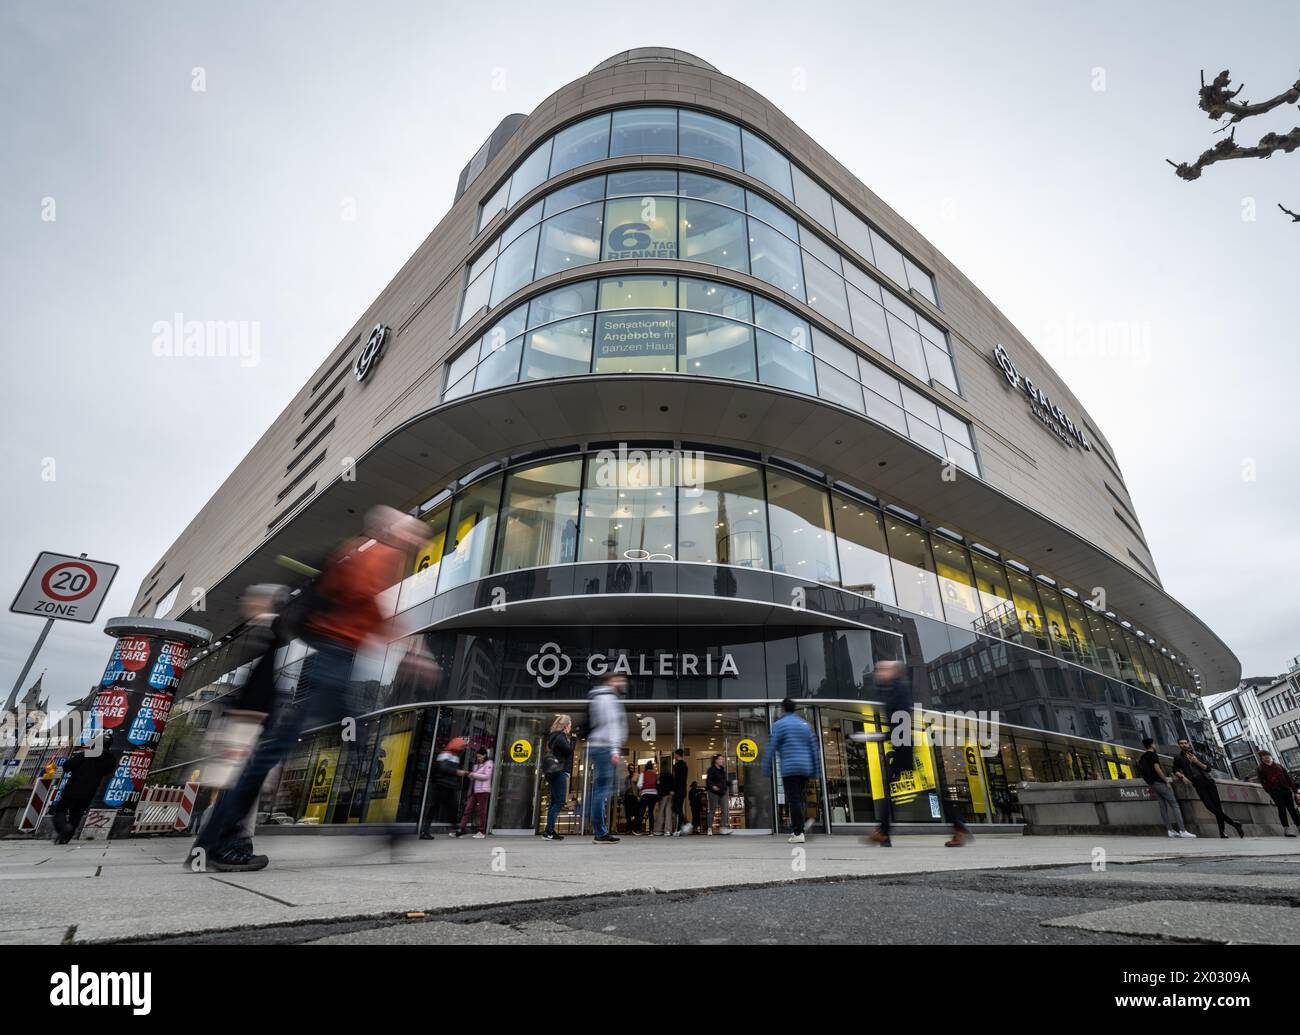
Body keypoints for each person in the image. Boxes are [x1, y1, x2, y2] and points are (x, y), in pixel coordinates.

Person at [189, 505, 428, 872]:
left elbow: (362, 605)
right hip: (334, 659)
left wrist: (402, 642)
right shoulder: (376, 553)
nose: (416, 538)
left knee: (356, 743)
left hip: (339, 659)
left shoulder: (367, 553)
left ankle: (387, 828)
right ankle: (214, 841)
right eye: (411, 531)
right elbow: (364, 601)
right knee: (279, 751)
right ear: (392, 529)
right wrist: (407, 643)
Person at [864, 660, 973, 848]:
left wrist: (884, 736)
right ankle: (958, 826)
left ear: (894, 672)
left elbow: (901, 720)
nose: (878, 673)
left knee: (898, 788)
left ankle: (883, 832)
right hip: (902, 744)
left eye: (883, 669)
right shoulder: (892, 689)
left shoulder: (899, 690)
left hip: (903, 745)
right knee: (923, 789)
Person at [763, 699, 821, 844]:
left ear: (783, 709)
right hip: (805, 768)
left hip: (790, 768)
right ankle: (801, 825)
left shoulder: (779, 725)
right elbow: (814, 748)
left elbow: (772, 746)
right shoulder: (805, 725)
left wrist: (766, 766)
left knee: (794, 800)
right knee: (800, 799)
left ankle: (798, 832)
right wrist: (816, 769)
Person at [49, 732, 115, 845]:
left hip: (73, 787)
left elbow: (67, 766)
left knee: (60, 809)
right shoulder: (111, 759)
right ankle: (66, 836)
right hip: (90, 790)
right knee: (77, 813)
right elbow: (107, 772)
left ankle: (64, 827)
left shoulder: (86, 754)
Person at [1172, 737, 1243, 838]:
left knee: (1217, 806)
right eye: (1181, 743)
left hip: (1208, 781)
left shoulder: (1198, 754)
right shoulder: (1178, 757)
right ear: (1178, 745)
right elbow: (1175, 770)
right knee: (1209, 806)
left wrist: (1197, 762)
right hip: (1197, 782)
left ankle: (1222, 832)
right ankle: (1234, 823)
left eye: (1185, 743)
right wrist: (1183, 777)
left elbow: (1208, 768)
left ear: (1188, 744)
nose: (1184, 745)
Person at [586, 673, 628, 844]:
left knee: (600, 788)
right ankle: (599, 830)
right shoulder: (608, 698)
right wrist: (614, 750)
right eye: (619, 680)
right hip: (604, 747)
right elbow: (612, 724)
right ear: (610, 682)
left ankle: (599, 830)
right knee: (604, 789)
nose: (622, 683)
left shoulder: (596, 696)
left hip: (596, 745)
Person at [1137, 737, 1195, 839]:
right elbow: (1157, 768)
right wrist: (1165, 780)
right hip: (1159, 782)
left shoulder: (1143, 756)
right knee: (1174, 805)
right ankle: (1182, 830)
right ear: (1151, 745)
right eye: (1154, 743)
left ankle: (1170, 830)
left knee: (1162, 806)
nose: (1155, 745)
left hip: (1152, 783)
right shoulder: (1152, 755)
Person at [422, 737, 466, 838]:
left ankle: (456, 828)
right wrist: (457, 772)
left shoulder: (455, 756)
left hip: (448, 786)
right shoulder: (445, 754)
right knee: (435, 808)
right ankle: (425, 831)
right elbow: (443, 768)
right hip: (440, 785)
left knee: (451, 807)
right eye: (461, 746)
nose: (462, 749)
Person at [542, 714, 575, 841]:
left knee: (554, 802)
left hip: (554, 772)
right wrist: (573, 739)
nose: (571, 727)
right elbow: (568, 751)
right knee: (560, 801)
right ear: (566, 725)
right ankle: (548, 831)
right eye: (570, 725)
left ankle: (550, 830)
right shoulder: (560, 737)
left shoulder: (554, 736)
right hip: (560, 772)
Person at [1257, 751, 1300, 837]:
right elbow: (1262, 781)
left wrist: (1295, 792)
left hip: (1286, 790)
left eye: (1268, 755)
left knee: (1292, 809)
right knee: (1281, 809)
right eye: (1264, 756)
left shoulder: (1278, 766)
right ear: (1261, 758)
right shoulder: (1261, 768)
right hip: (1275, 791)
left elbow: (1288, 778)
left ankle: (1299, 826)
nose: (1266, 757)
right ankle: (1287, 829)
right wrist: (1269, 790)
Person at [457, 747, 493, 838]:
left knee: (481, 811)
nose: (479, 758)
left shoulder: (489, 763)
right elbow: (475, 776)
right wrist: (470, 775)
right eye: (477, 757)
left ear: (485, 755)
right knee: (467, 809)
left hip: (483, 791)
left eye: (480, 756)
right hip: (475, 790)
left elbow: (486, 776)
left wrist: (473, 774)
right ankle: (462, 828)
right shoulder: (476, 765)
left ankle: (482, 831)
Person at [705, 754, 732, 835]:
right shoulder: (711, 770)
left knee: (725, 810)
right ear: (715, 760)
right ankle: (709, 828)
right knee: (712, 810)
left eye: (722, 759)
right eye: (720, 759)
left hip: (723, 792)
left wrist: (729, 783)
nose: (722, 760)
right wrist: (713, 786)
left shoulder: (722, 769)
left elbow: (723, 780)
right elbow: (708, 780)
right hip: (713, 792)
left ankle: (722, 828)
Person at [654, 762, 676, 836]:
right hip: (670, 795)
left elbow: (659, 785)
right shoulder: (670, 775)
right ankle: (668, 830)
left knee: (660, 812)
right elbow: (673, 784)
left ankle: (658, 830)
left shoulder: (661, 776)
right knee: (668, 813)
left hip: (663, 795)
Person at [638, 760, 659, 834]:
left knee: (641, 811)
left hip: (645, 794)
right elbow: (657, 784)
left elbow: (639, 784)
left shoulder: (643, 774)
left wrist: (641, 790)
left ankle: (639, 829)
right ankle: (651, 830)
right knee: (651, 812)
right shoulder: (655, 774)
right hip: (653, 795)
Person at [672, 748, 690, 834]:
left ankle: (686, 822)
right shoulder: (685, 765)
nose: (674, 756)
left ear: (677, 755)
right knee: (679, 809)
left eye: (675, 755)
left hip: (678, 790)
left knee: (676, 808)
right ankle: (678, 829)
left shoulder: (677, 765)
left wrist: (673, 789)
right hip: (683, 790)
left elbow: (676, 779)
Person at [622, 761, 641, 835]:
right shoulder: (626, 778)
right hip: (627, 796)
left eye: (633, 768)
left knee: (636, 813)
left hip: (634, 796)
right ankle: (629, 829)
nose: (631, 769)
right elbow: (625, 787)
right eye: (630, 768)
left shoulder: (636, 776)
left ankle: (635, 829)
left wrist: (638, 796)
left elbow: (639, 786)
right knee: (628, 814)